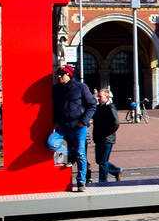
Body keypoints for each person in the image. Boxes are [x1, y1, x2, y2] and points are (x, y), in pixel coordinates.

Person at [52, 64, 97, 192]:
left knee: (81, 153)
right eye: (57, 74)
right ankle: (68, 161)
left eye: (62, 74)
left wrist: (83, 121)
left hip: (78, 127)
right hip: (63, 127)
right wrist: (55, 121)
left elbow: (92, 105)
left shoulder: (81, 87)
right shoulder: (55, 90)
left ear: (69, 74)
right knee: (52, 143)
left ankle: (81, 182)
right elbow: (53, 107)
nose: (58, 76)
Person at [92, 86, 123, 184]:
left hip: (107, 139)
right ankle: (117, 171)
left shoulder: (110, 107)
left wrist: (107, 132)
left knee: (103, 161)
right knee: (99, 160)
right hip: (98, 138)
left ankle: (102, 182)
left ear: (106, 97)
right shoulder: (99, 107)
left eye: (100, 96)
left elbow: (116, 123)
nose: (98, 98)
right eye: (98, 96)